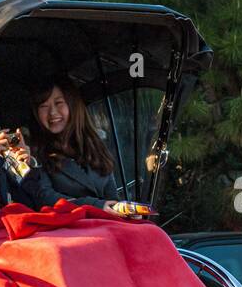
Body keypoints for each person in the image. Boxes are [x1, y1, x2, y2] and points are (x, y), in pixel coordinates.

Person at [23, 80, 150, 217]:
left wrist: (124, 210)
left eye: (59, 103)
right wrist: (96, 206)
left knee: (150, 230)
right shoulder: (33, 153)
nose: (52, 112)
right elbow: (45, 197)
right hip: (68, 229)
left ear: (73, 105)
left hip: (103, 224)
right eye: (44, 106)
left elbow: (111, 196)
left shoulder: (96, 146)